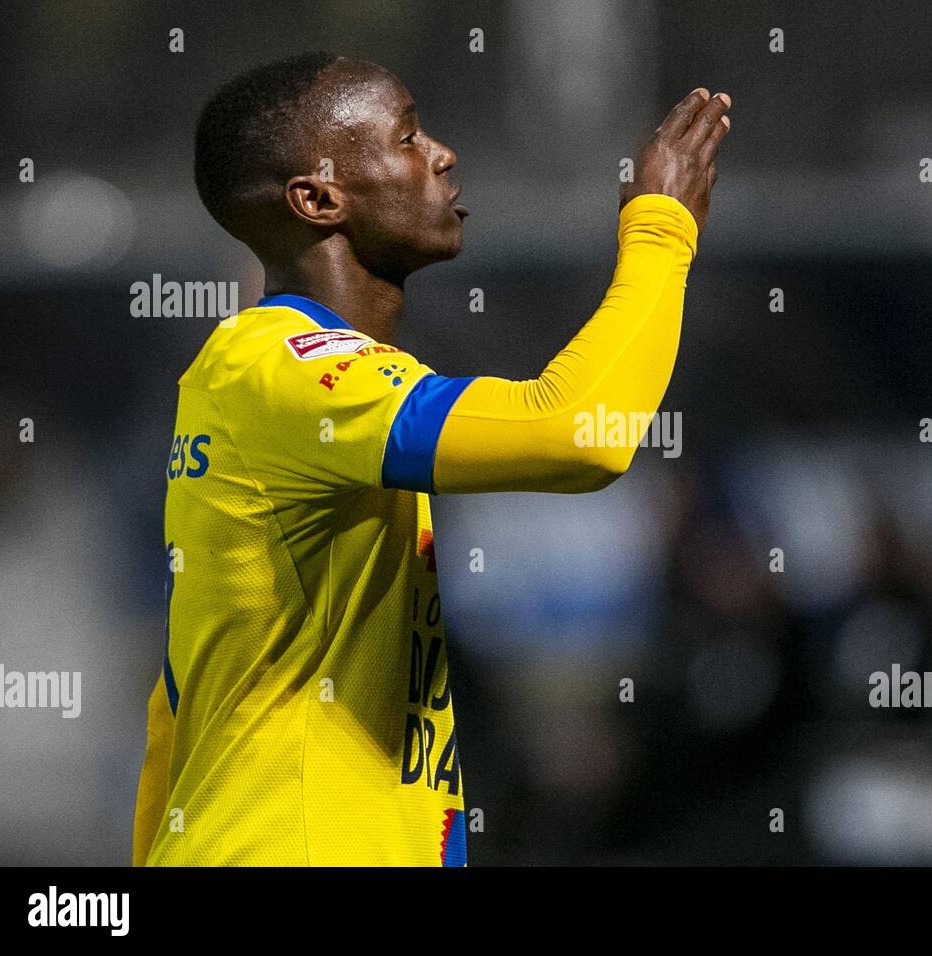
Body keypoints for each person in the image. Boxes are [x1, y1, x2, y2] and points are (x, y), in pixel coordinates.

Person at [132, 52, 730, 865]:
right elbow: (576, 435)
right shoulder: (283, 366)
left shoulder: (302, 393)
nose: (442, 153)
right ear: (318, 198)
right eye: (408, 136)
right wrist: (661, 231)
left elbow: (178, 714)